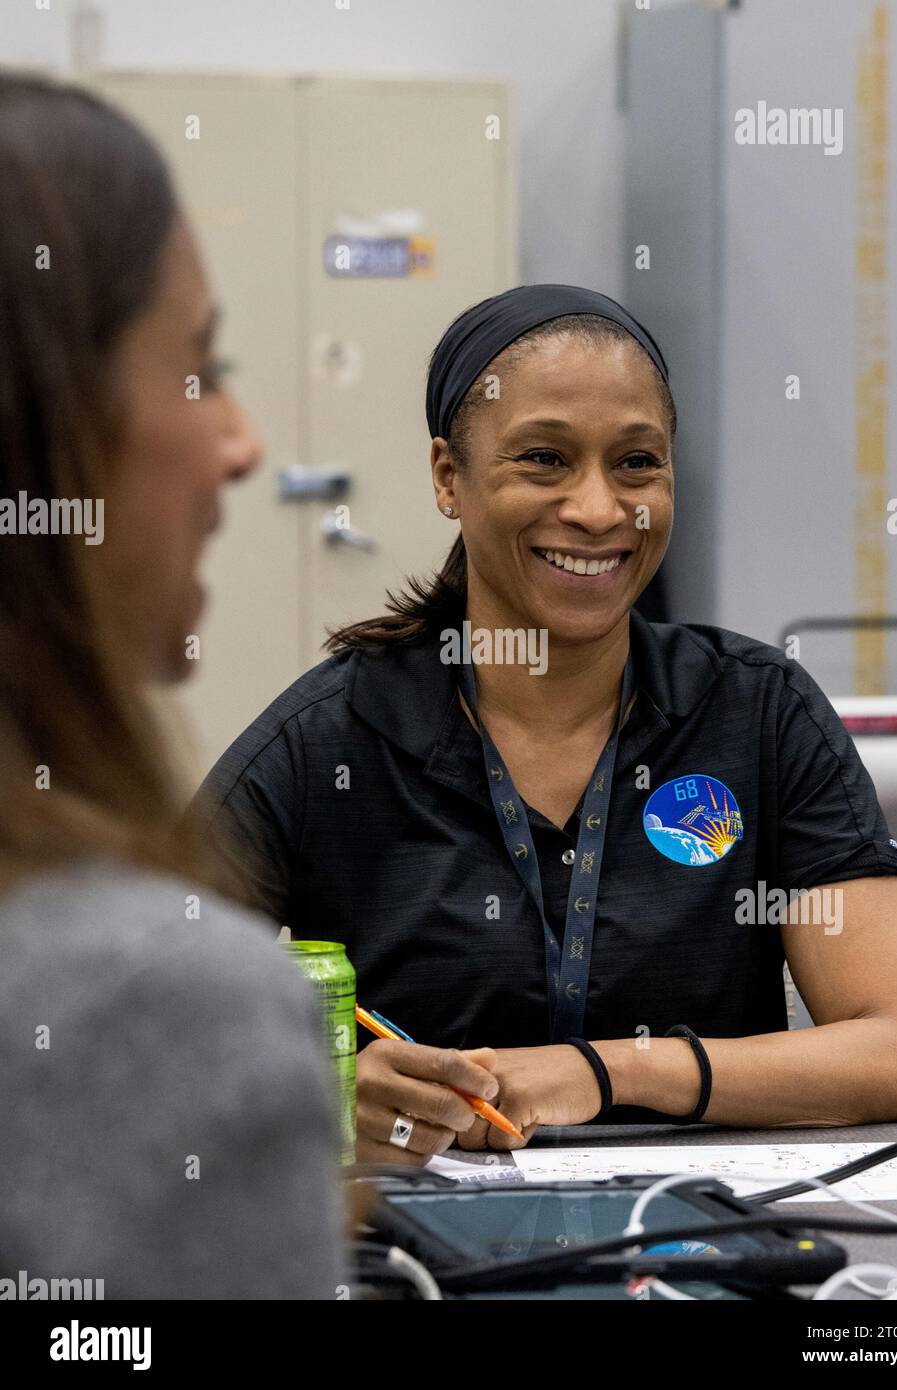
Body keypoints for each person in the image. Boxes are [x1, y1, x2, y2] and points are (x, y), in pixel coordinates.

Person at [198, 283, 897, 1169]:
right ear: (449, 478)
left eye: (636, 463)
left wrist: (607, 1072)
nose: (599, 510)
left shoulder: (756, 712)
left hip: (700, 1245)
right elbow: (120, 1053)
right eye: (544, 461)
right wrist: (325, 1099)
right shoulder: (327, 744)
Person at [0, 73, 345, 1298]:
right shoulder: (156, 999)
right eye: (201, 367)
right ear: (48, 425)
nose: (245, 441)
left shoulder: (754, 703)